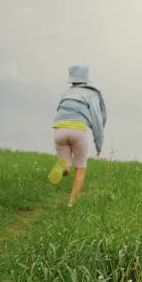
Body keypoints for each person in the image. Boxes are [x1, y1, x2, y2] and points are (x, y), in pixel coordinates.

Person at [48, 65, 107, 207]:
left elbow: (58, 110)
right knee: (80, 167)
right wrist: (99, 145)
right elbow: (97, 120)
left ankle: (64, 168)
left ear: (71, 80)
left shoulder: (66, 93)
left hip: (59, 129)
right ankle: (71, 204)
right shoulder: (91, 94)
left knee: (67, 165)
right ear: (86, 80)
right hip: (77, 130)